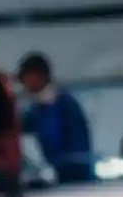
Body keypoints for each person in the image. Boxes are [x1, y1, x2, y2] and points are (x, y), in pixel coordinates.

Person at [17, 52, 95, 183]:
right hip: (52, 176)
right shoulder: (33, 110)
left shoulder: (66, 104)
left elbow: (78, 149)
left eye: (27, 78)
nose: (26, 84)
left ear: (38, 76)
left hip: (73, 177)